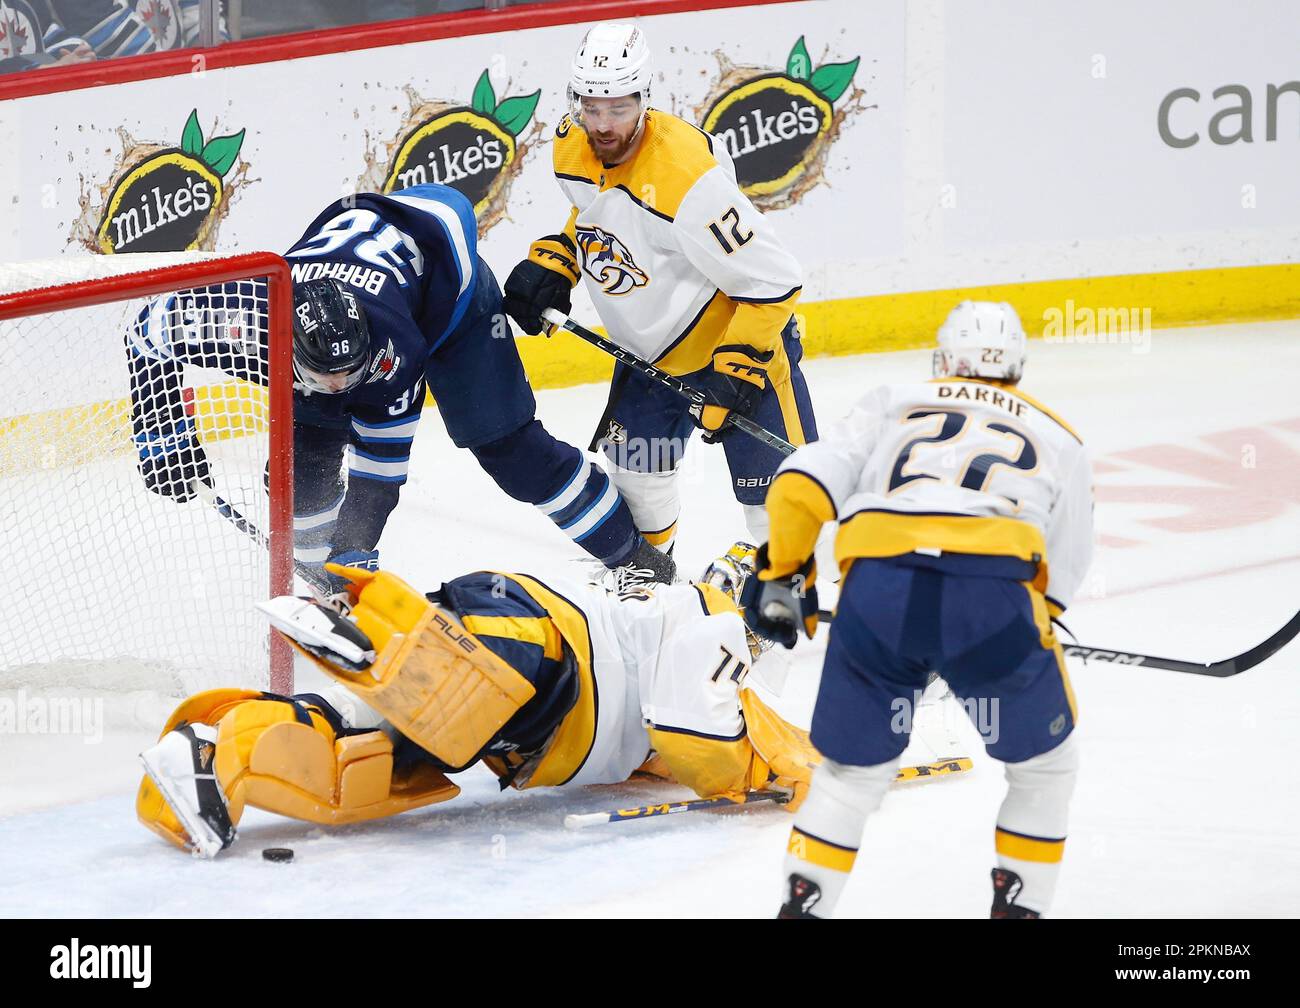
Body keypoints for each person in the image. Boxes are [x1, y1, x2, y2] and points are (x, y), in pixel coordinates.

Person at [127, 184, 675, 604]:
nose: (341, 387)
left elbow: (378, 477)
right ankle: (324, 595)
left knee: (511, 452)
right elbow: (141, 330)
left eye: (351, 372)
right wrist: (163, 435)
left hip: (448, 301)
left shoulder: (393, 354)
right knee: (302, 475)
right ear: (285, 348)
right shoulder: (240, 323)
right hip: (357, 276)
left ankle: (638, 561)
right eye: (326, 377)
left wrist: (354, 554)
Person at [743, 302, 1094, 918]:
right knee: (1045, 768)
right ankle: (1021, 908)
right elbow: (1060, 578)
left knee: (849, 776)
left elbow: (801, 481)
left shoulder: (895, 398)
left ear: (942, 360)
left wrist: (782, 573)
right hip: (992, 595)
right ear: (1016, 367)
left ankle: (805, 908)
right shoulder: (1061, 437)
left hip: (878, 590)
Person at [136, 546, 818, 858]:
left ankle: (211, 758)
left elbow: (663, 740)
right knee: (461, 692)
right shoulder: (720, 625)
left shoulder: (681, 614)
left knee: (367, 762)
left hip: (524, 678)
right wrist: (773, 776)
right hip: (544, 655)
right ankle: (387, 637)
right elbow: (691, 732)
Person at [503, 21, 818, 556]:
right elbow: (599, 215)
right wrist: (560, 260)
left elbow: (775, 277)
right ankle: (654, 582)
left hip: (733, 350)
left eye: (619, 107)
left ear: (645, 98)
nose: (602, 123)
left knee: (779, 504)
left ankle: (779, 604)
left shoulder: (688, 179)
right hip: (647, 359)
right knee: (638, 481)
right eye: (590, 105)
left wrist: (738, 362)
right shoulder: (568, 146)